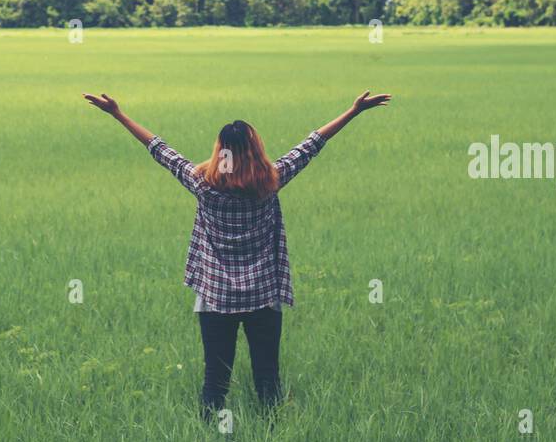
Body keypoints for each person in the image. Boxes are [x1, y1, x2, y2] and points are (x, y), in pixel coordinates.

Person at [82, 89, 391, 418]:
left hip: (216, 300)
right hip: (263, 298)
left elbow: (159, 149)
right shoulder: (272, 181)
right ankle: (271, 437)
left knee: (215, 382)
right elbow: (311, 144)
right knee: (267, 379)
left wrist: (118, 114)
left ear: (220, 153)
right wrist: (353, 111)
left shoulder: (202, 184)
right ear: (256, 152)